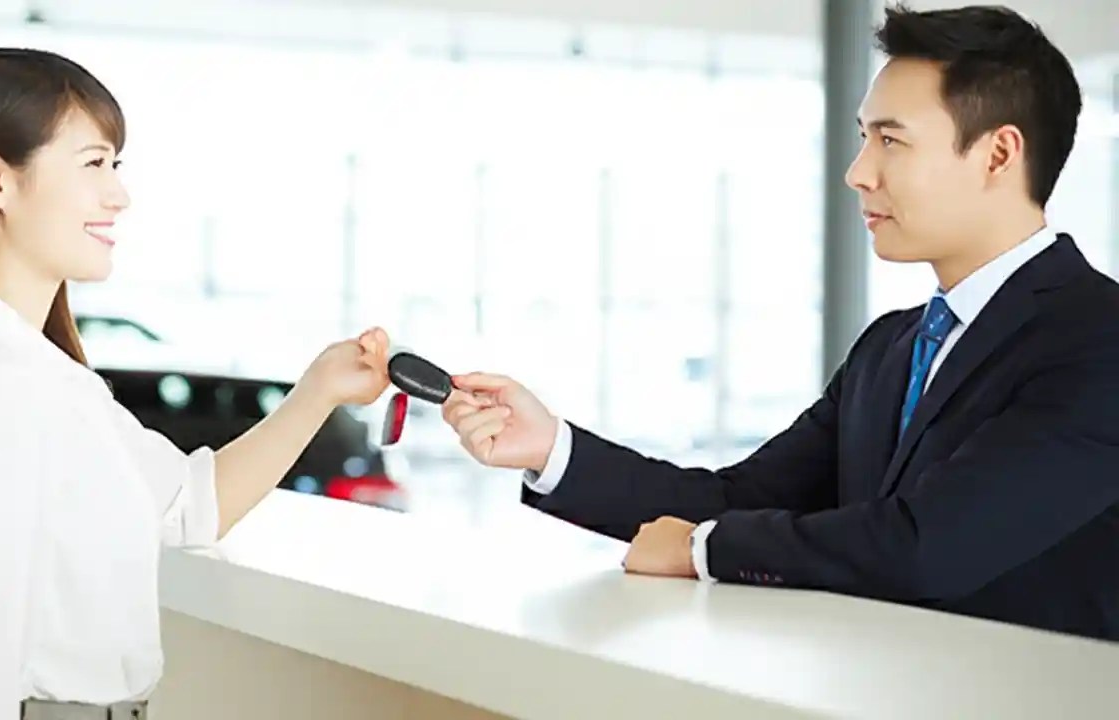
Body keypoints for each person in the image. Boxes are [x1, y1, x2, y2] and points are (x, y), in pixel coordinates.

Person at [441, 4, 1119, 641]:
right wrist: (549, 448)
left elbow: (930, 545)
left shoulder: (1099, 337)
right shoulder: (891, 346)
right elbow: (737, 497)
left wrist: (705, 551)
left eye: (891, 140)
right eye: (863, 138)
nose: (859, 172)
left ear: (998, 155)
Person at [0, 48, 392, 719]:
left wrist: (319, 390)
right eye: (93, 163)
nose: (118, 194)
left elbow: (192, 505)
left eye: (115, 165)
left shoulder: (23, 366)